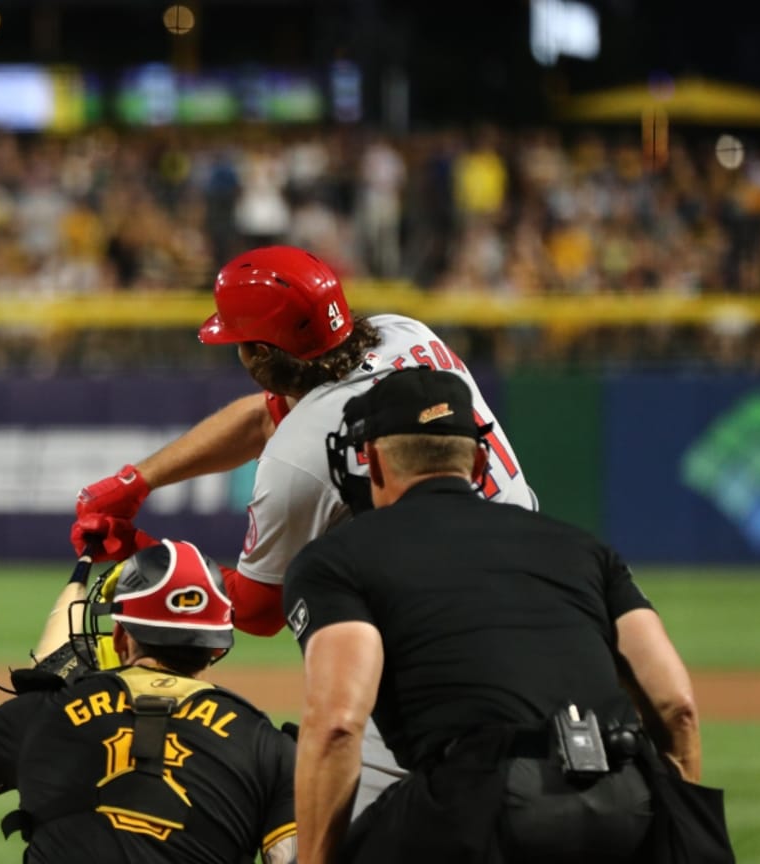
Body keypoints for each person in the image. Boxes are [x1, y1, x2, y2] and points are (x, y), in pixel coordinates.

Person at [72, 245, 534, 813]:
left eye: (239, 342)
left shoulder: (299, 455)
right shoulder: (404, 333)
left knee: (344, 818)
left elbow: (258, 612)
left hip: (441, 664)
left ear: (261, 353)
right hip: (541, 603)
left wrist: (144, 554)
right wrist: (138, 480)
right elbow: (271, 414)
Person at [283, 368, 729, 864]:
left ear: (376, 463)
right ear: (478, 462)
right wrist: (680, 828)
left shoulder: (337, 558)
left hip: (485, 797)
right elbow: (676, 705)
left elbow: (339, 724)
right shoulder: (583, 548)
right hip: (627, 795)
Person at [0, 540, 298, 864]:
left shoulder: (47, 710)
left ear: (120, 638)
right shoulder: (270, 747)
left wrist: (34, 706)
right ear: (216, 646)